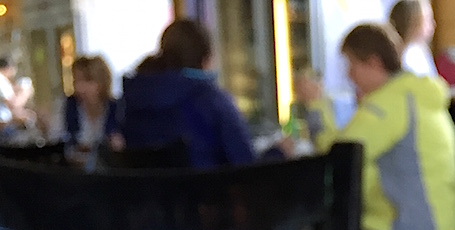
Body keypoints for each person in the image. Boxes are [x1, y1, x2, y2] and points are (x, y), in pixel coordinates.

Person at [317, 22, 455, 230]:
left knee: (327, 225)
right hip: (438, 225)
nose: (349, 75)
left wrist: (316, 107)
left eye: (352, 65)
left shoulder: (389, 103)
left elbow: (340, 155)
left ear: (374, 63)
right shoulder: (413, 93)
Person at [120, 18, 256, 168]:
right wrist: (278, 153)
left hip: (146, 191)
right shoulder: (213, 102)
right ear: (206, 60)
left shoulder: (131, 102)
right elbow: (246, 169)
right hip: (207, 190)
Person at [50, 55, 123, 166]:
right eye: (76, 81)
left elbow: (119, 146)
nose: (79, 87)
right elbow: (57, 140)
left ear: (101, 82)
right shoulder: (67, 106)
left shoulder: (117, 109)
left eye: (87, 81)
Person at [285, 67, 338, 148]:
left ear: (316, 86)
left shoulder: (316, 110)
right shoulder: (324, 105)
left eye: (304, 85)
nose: (298, 91)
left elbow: (318, 139)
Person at [389, 0, 438, 78]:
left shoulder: (421, 50)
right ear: (413, 22)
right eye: (427, 19)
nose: (433, 24)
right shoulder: (408, 55)